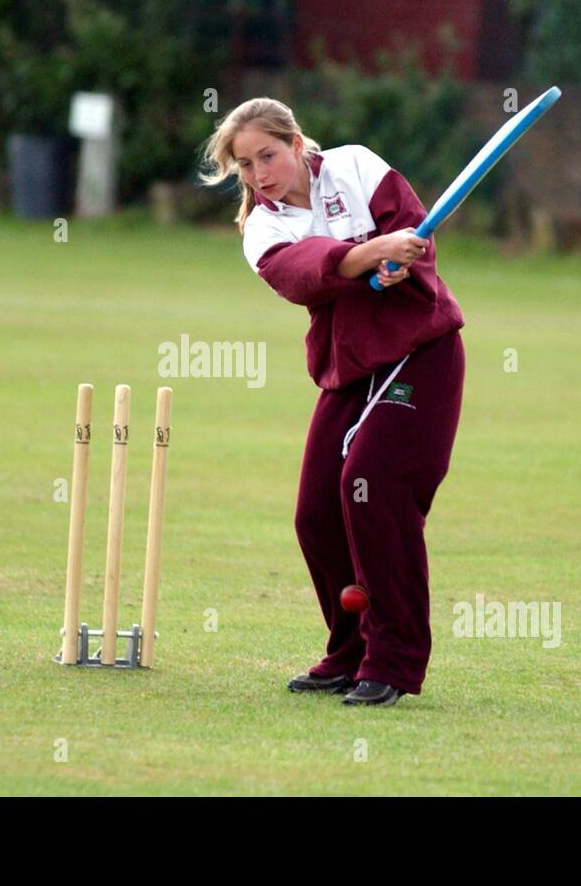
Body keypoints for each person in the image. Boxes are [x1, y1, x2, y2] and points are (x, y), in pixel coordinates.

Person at [201, 98, 466, 706]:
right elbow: (304, 277)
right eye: (244, 165)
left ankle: (394, 661)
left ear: (297, 145)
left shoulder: (355, 165)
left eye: (267, 155)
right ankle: (349, 650)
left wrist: (403, 255)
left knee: (372, 484)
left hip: (421, 352)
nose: (258, 173)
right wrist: (374, 253)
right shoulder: (262, 229)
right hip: (350, 369)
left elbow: (413, 230)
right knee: (316, 513)